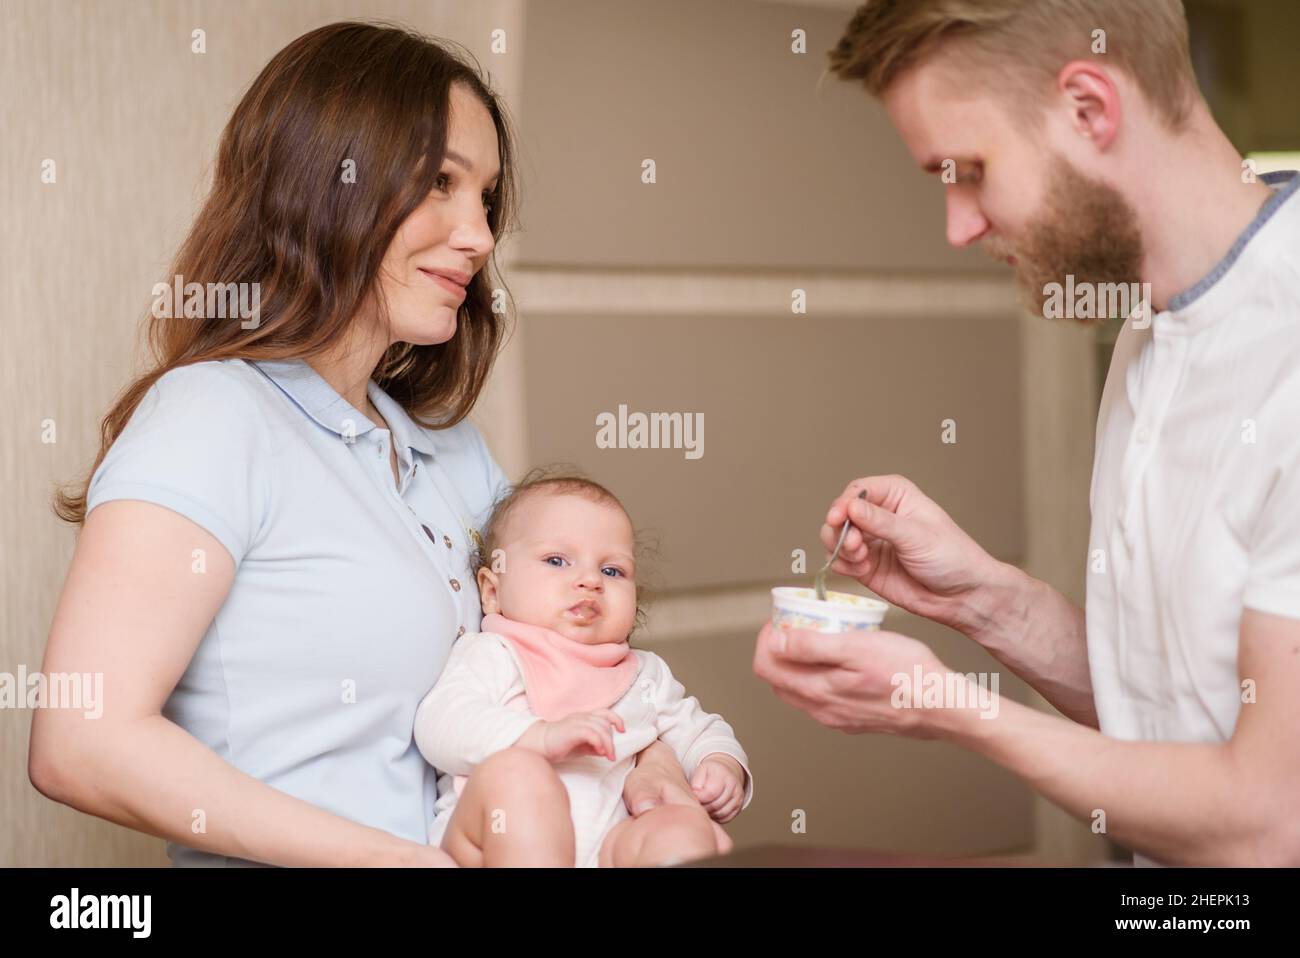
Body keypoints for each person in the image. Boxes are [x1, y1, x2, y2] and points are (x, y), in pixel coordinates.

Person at [29, 21, 711, 868]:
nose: (481, 235)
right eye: (440, 184)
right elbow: (80, 743)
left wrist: (660, 768)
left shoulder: (456, 455)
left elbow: (562, 665)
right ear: (325, 185)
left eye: (486, 197)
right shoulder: (210, 418)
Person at [753, 0, 1300, 866]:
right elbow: (1173, 715)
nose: (959, 225)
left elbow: (1272, 820)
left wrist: (942, 704)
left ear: (1090, 107)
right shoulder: (1148, 333)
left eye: (968, 170)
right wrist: (980, 599)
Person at [415, 472, 752, 867]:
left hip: (611, 847)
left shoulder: (643, 675)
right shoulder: (493, 654)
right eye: (557, 561)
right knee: (517, 777)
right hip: (495, 846)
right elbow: (441, 725)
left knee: (679, 826)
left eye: (612, 571)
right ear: (492, 590)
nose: (590, 580)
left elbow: (700, 729)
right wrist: (540, 737)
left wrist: (721, 764)